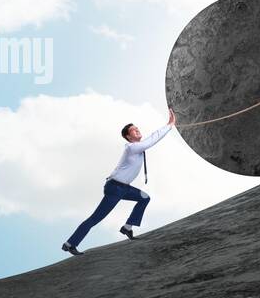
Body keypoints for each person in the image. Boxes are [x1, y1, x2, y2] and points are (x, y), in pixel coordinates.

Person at [62, 109, 176, 256]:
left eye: (137, 129)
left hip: (124, 188)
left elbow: (149, 140)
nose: (137, 130)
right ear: (128, 137)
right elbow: (152, 139)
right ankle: (70, 244)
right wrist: (169, 124)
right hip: (115, 188)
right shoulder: (131, 147)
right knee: (96, 218)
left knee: (144, 198)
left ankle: (127, 227)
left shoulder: (138, 147)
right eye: (134, 130)